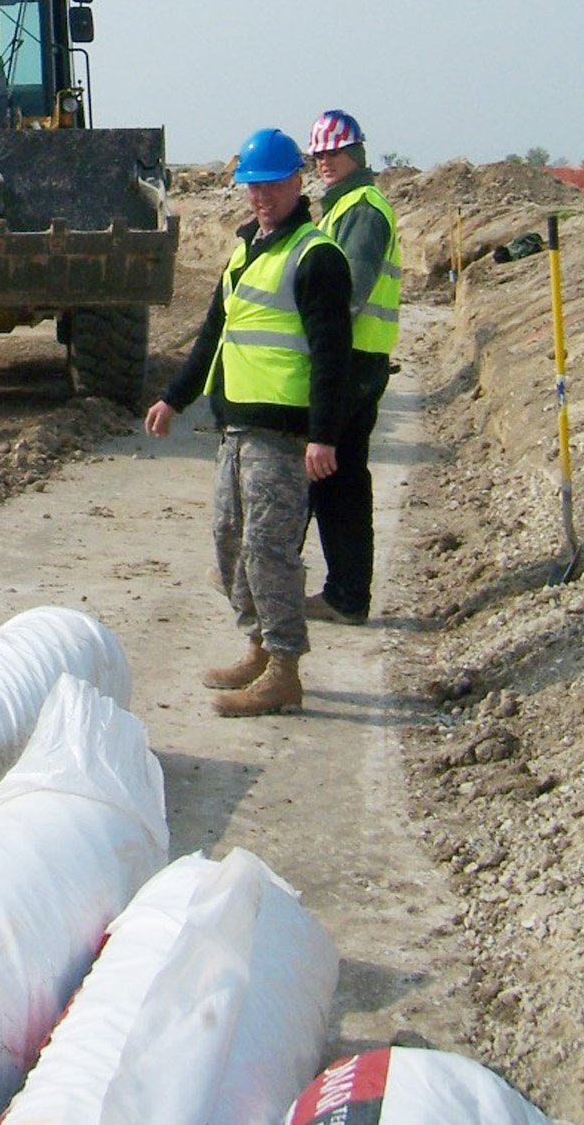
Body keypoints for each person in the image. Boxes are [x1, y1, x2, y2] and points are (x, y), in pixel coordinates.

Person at [143, 128, 351, 717]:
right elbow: (214, 335)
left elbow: (333, 355)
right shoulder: (246, 251)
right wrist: (174, 399)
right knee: (230, 541)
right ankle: (257, 645)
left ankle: (285, 668)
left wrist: (324, 434)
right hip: (236, 429)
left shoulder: (316, 257)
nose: (261, 197)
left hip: (285, 435)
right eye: (252, 187)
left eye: (271, 185)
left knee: (269, 549)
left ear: (297, 182)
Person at [302, 109, 402, 626]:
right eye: (319, 156)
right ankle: (345, 594)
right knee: (340, 480)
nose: (324, 164)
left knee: (322, 473)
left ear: (356, 155)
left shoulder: (361, 210)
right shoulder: (344, 206)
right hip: (360, 359)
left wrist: (318, 339)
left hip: (350, 360)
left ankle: (320, 589)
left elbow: (349, 293)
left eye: (333, 155)